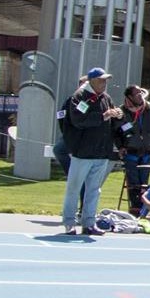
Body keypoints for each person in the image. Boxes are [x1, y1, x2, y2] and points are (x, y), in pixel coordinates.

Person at [59, 67, 123, 235]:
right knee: (74, 188)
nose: (104, 83)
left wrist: (117, 115)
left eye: (106, 80)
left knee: (94, 190)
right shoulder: (79, 97)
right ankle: (69, 223)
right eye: (101, 80)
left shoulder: (106, 98)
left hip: (101, 152)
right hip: (83, 153)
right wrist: (104, 116)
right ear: (92, 81)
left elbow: (111, 120)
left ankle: (89, 223)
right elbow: (78, 120)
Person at [118, 85, 150, 215]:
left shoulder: (148, 108)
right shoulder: (122, 111)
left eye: (140, 93)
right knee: (134, 183)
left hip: (147, 152)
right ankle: (135, 209)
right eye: (137, 94)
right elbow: (116, 132)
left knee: (144, 183)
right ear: (129, 97)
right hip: (131, 152)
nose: (140, 96)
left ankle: (144, 209)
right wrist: (121, 146)